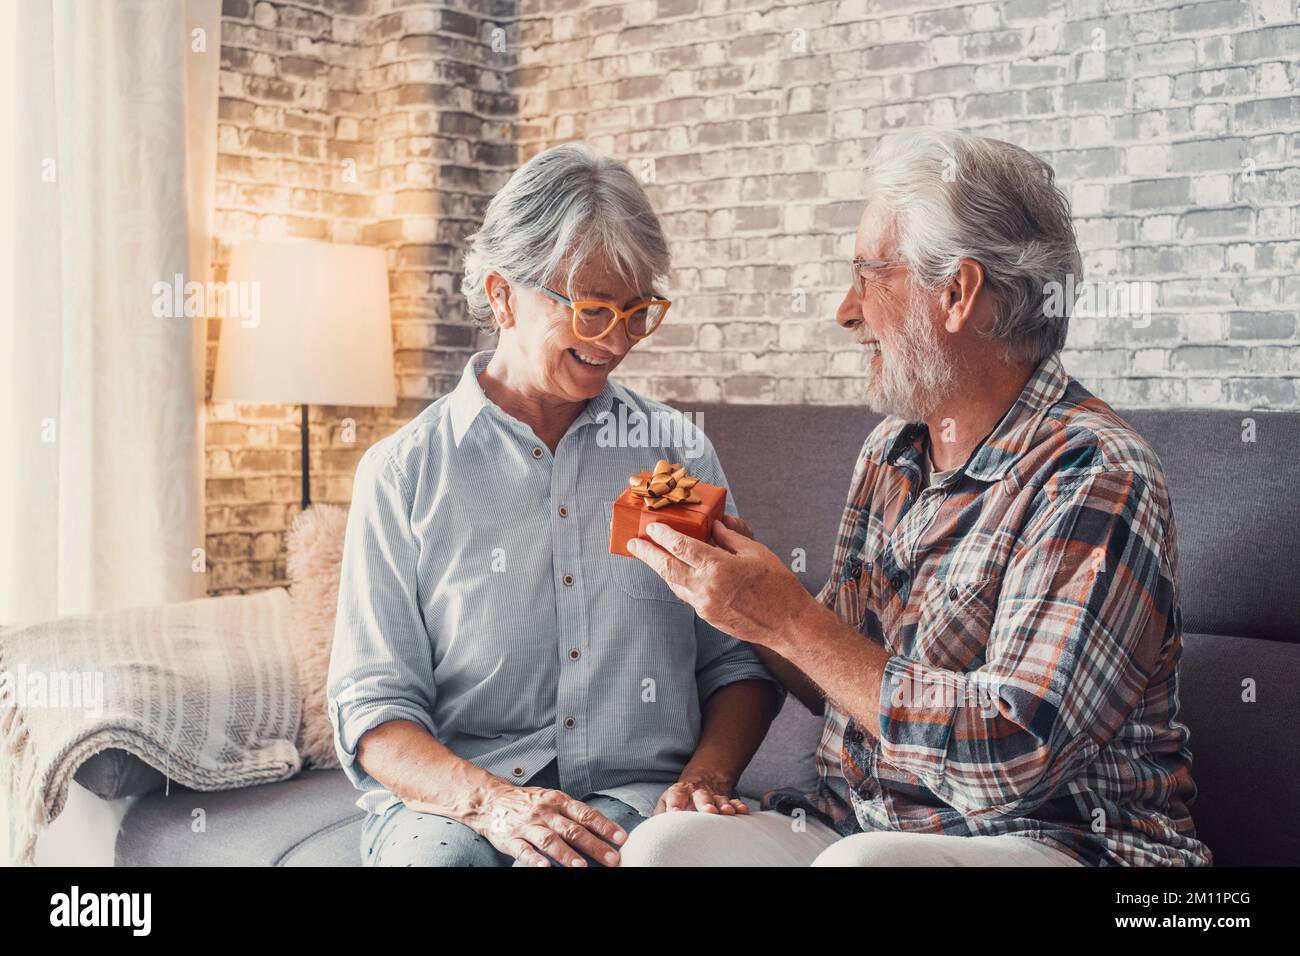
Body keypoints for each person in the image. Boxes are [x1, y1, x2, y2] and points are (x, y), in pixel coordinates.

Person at [620, 129, 1212, 867]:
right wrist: (727, 589)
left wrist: (793, 619)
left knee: (864, 868)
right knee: (664, 847)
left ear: (957, 293)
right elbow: (836, 673)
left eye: (869, 275)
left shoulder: (1094, 473)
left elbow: (1013, 755)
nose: (845, 310)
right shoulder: (893, 452)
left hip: (1062, 842)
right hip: (857, 826)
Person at [327, 143, 781, 868]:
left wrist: (706, 777)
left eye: (637, 312)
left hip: (638, 799)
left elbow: (738, 663)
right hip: (459, 803)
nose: (618, 340)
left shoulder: (673, 454)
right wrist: (494, 804)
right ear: (502, 295)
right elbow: (374, 711)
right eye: (593, 309)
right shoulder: (404, 474)